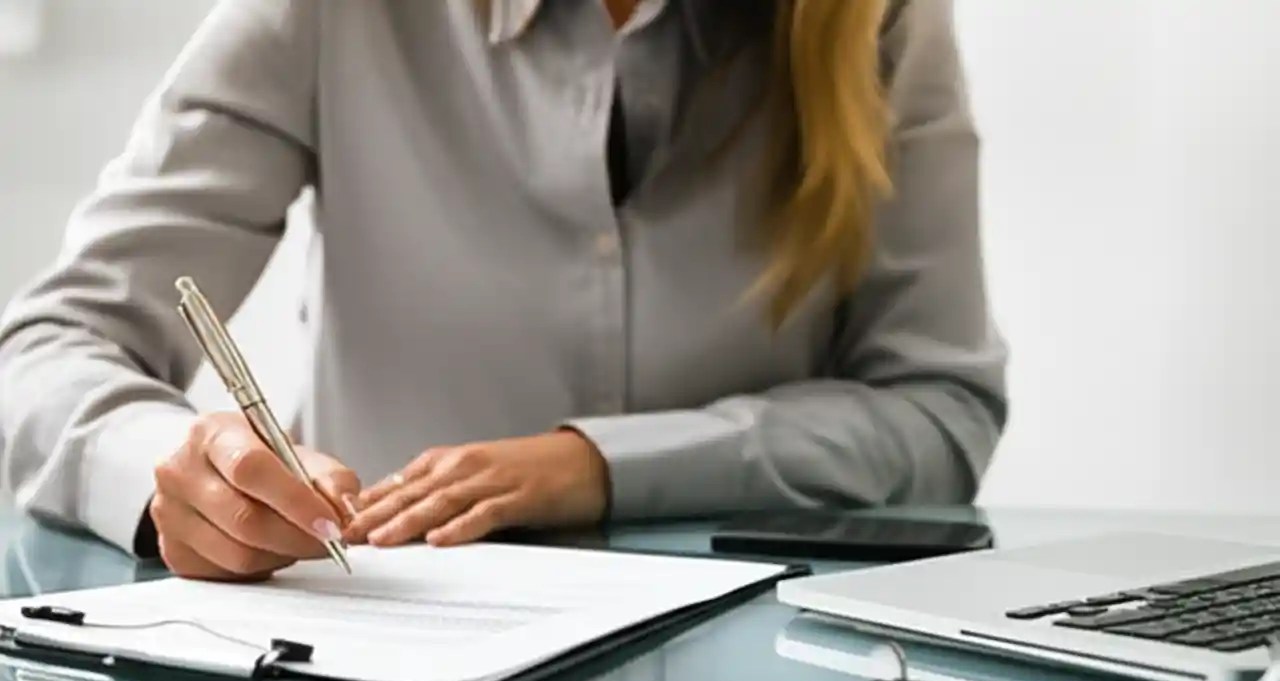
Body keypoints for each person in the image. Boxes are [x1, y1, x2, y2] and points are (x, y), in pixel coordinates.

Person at [0, 0, 1006, 581]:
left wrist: (598, 466)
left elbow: (936, 410)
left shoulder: (872, 21)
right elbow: (48, 345)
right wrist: (167, 473)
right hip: (383, 652)